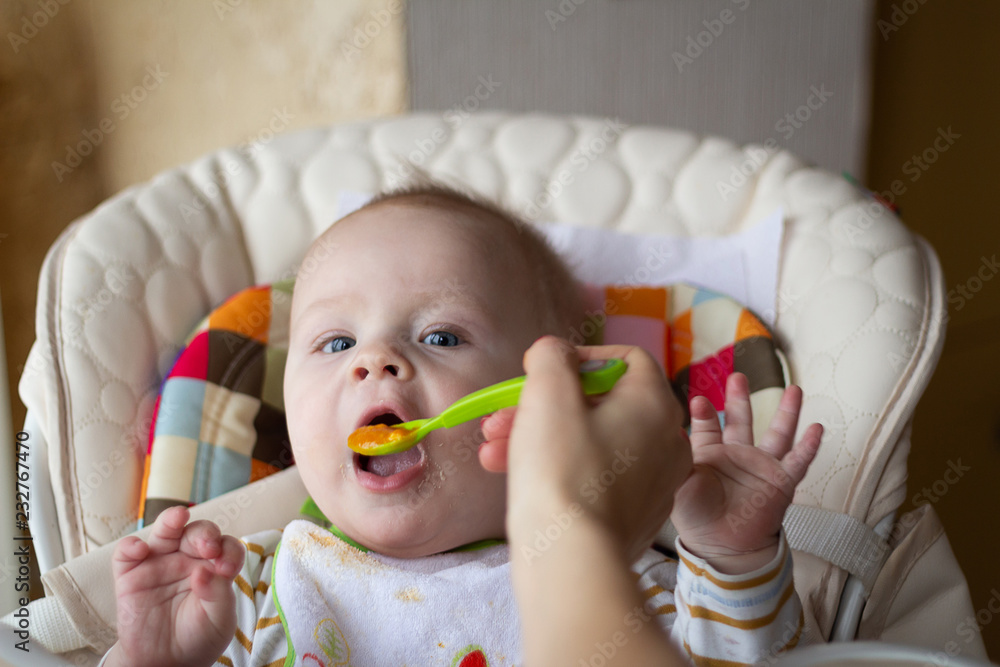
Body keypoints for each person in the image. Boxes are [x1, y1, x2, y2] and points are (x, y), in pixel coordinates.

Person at [101, 183, 823, 666]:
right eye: (336, 342)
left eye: (443, 336)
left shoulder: (619, 574)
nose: (376, 361)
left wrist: (733, 562)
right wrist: (155, 659)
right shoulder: (241, 589)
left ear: (554, 400)